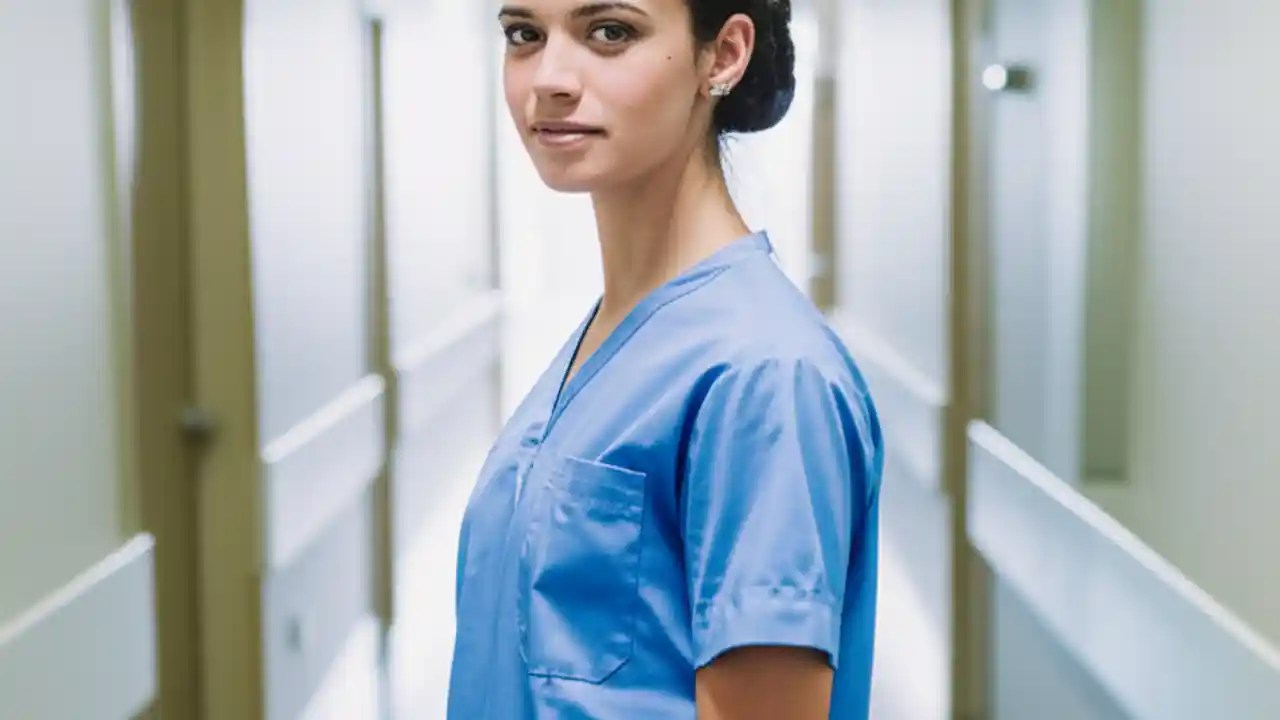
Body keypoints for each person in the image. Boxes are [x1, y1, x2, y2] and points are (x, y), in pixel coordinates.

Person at [447, 0, 883, 717]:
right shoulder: (612, 331)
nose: (549, 78)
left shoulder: (764, 376)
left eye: (609, 32)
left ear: (725, 55)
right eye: (524, 35)